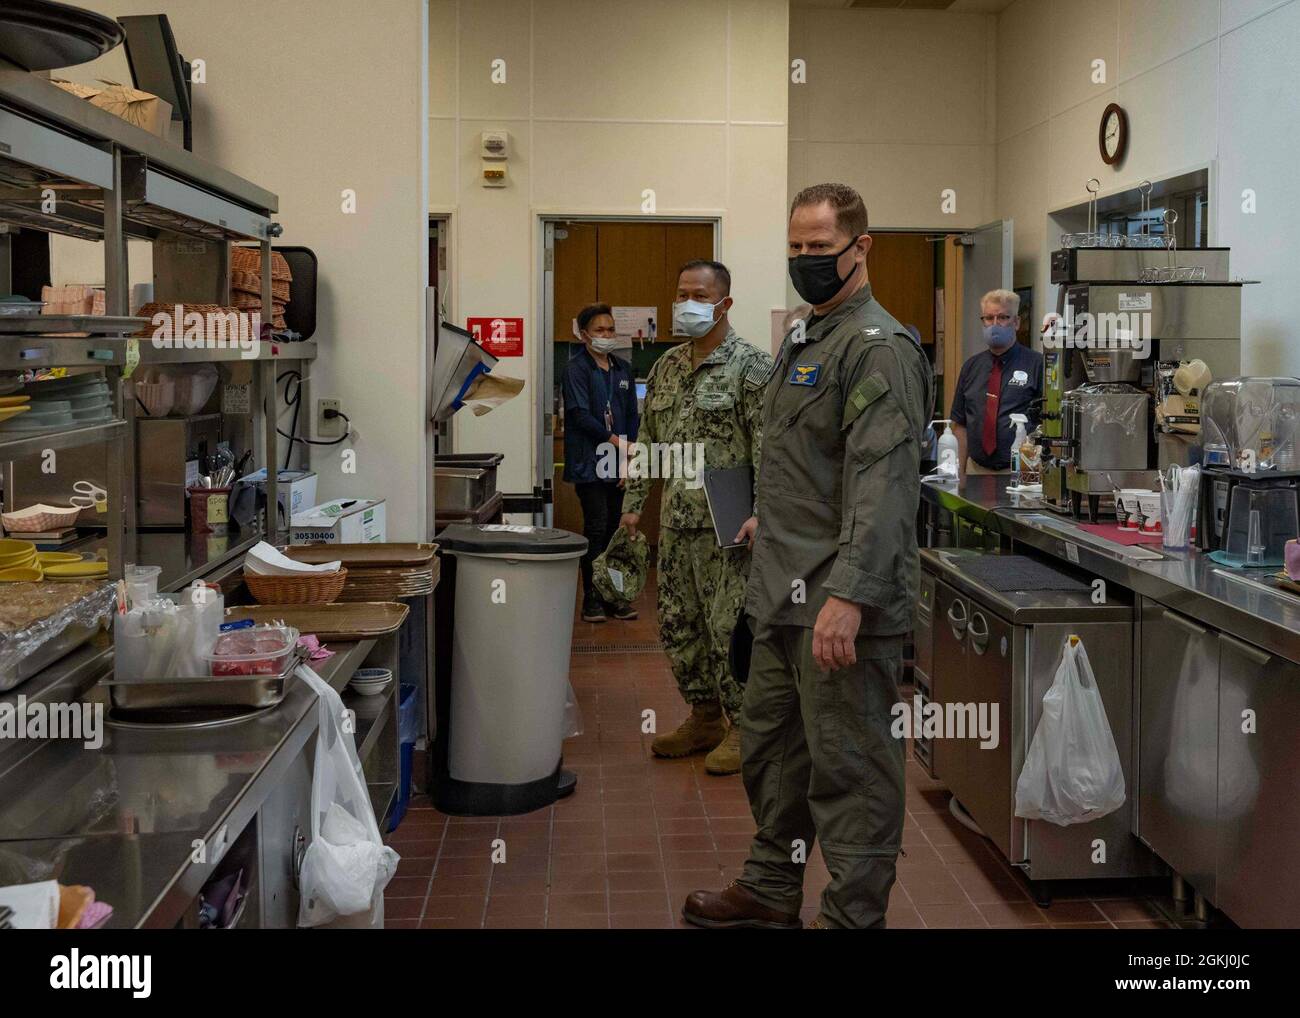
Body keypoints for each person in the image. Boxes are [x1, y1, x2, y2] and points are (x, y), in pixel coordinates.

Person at [683, 182, 934, 929]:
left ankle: (853, 918)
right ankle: (769, 887)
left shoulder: (878, 349)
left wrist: (850, 598)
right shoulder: (806, 335)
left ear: (861, 248)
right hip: (783, 593)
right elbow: (813, 464)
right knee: (774, 755)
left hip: (838, 602)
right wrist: (769, 516)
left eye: (819, 249)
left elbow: (882, 488)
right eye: (795, 248)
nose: (805, 261)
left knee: (851, 773)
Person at [620, 260, 772, 776]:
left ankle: (745, 727)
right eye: (681, 293)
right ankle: (704, 716)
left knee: (728, 627)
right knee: (678, 626)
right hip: (677, 522)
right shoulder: (666, 367)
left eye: (699, 295)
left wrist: (761, 514)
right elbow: (648, 441)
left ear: (724, 303)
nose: (687, 304)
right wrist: (634, 505)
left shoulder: (752, 368)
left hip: (730, 522)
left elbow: (771, 450)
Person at [562, 302, 640, 623]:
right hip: (590, 464)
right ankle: (592, 599)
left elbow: (632, 416)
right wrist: (617, 444)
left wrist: (628, 457)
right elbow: (580, 415)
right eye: (599, 330)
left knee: (615, 532)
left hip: (619, 462)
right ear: (584, 335)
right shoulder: (575, 370)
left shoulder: (622, 369)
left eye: (610, 330)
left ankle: (615, 598)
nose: (606, 335)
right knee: (596, 528)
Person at [948, 288, 1043, 482]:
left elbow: (1047, 424)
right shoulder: (971, 367)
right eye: (988, 318)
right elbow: (960, 425)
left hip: (1021, 470)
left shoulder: (1037, 364)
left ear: (1016, 322)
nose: (994, 324)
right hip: (976, 469)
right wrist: (960, 474)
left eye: (1002, 317)